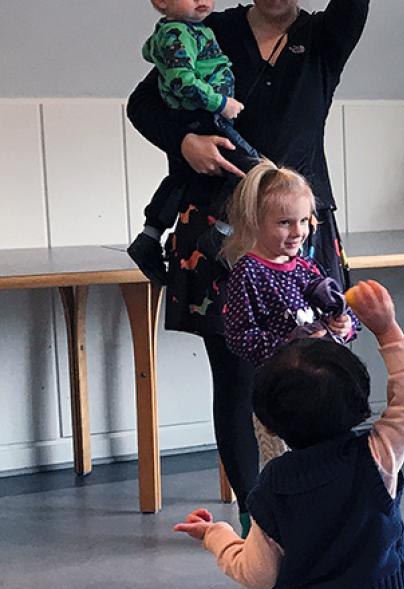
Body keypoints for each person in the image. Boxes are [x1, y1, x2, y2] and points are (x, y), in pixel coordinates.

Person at [126, 0, 369, 535]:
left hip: (299, 228)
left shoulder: (324, 36)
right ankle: (259, 524)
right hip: (218, 227)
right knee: (234, 378)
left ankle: (315, 508)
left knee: (318, 371)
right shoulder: (211, 28)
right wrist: (184, 140)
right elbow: (143, 106)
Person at [174, 279, 404, 589]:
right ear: (359, 400)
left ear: (268, 424)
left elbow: (257, 572)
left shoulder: (274, 487)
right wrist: (387, 330)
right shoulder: (375, 457)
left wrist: (216, 535)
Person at [221, 160, 358, 474]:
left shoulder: (305, 266)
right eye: (284, 223)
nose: (298, 232)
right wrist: (290, 343)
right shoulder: (249, 272)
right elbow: (240, 337)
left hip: (322, 390)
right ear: (255, 221)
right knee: (285, 469)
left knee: (328, 466)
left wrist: (344, 324)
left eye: (304, 221)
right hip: (280, 392)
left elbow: (341, 312)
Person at [127, 0, 261, 286]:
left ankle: (150, 234)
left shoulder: (191, 29)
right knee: (254, 170)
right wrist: (221, 102)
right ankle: (221, 234)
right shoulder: (177, 33)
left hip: (200, 115)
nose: (203, 0)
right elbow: (182, 80)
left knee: (181, 177)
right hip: (205, 115)